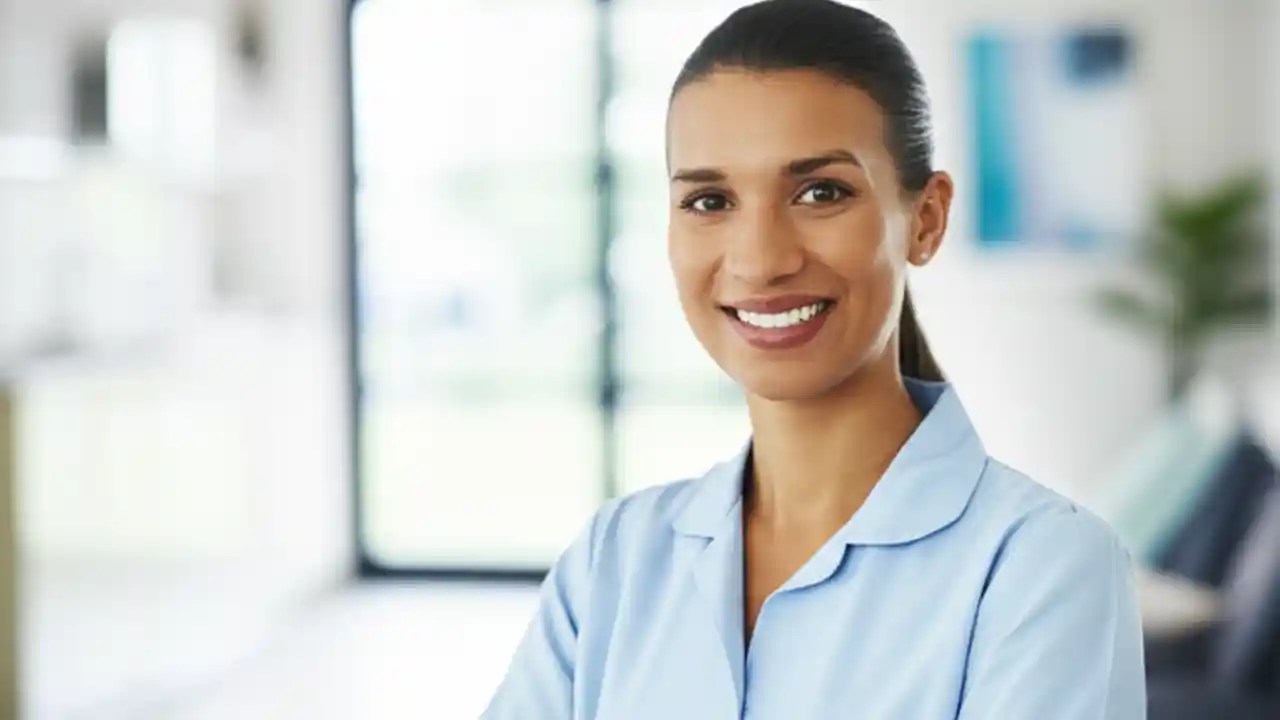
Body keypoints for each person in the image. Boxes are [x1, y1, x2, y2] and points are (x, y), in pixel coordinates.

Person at [484, 1, 1146, 717]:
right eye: (710, 201)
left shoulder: (1041, 567)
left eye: (820, 192)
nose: (760, 260)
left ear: (925, 219)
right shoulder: (612, 559)